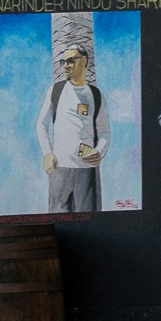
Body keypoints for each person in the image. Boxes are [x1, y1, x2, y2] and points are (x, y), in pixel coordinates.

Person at [38, 39, 106, 214]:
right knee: (58, 220)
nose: (65, 66)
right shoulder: (55, 90)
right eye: (63, 62)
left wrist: (99, 151)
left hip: (87, 171)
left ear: (83, 61)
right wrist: (47, 153)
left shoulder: (96, 95)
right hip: (60, 170)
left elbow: (105, 132)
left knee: (91, 221)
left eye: (70, 61)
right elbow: (41, 125)